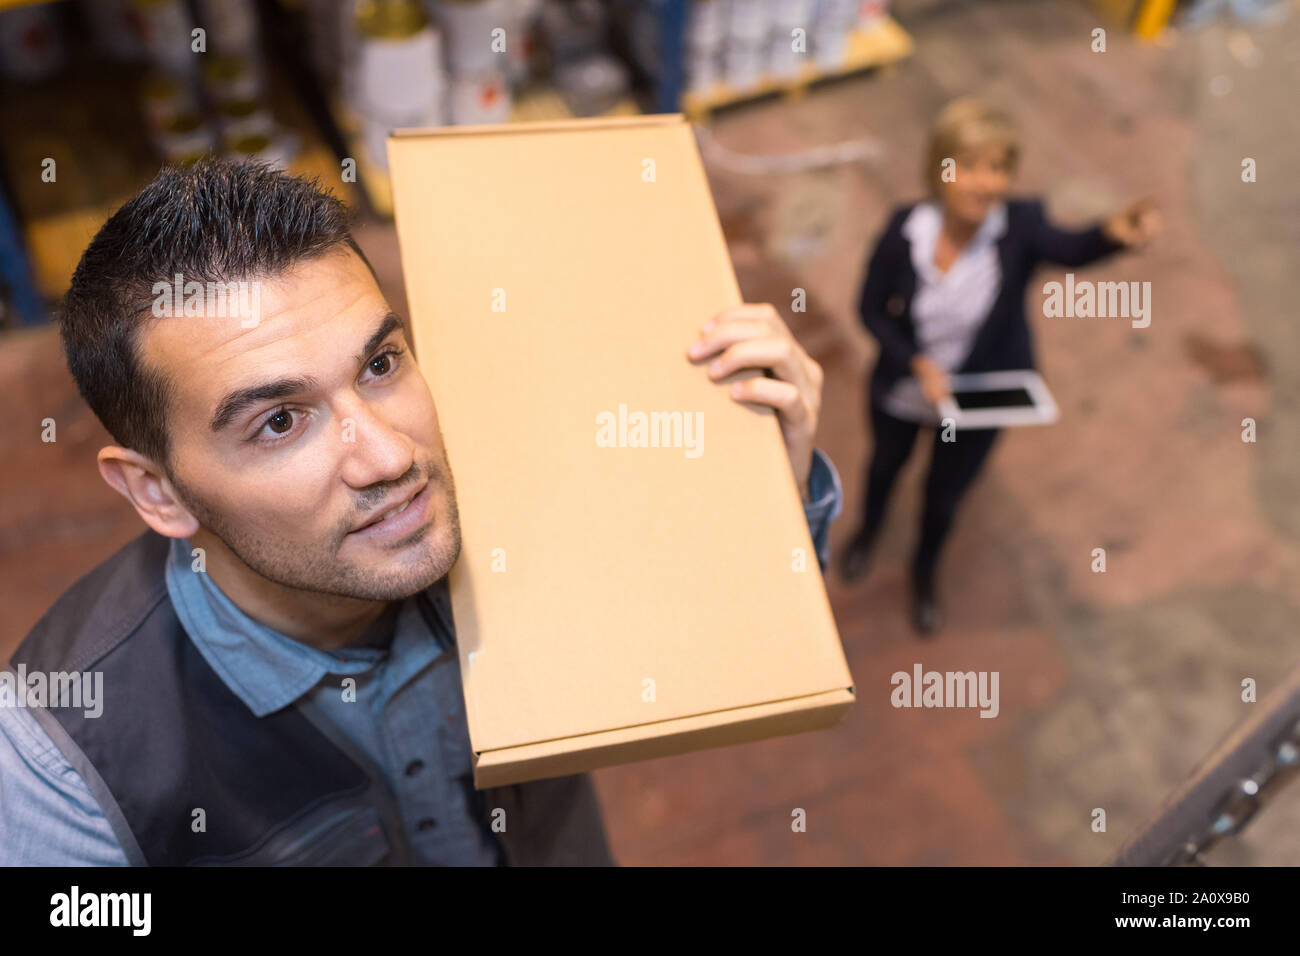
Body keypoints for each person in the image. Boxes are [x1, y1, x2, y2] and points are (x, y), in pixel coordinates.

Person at [0, 158, 842, 866]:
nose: (391, 456)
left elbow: (718, 637)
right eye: (280, 422)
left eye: (379, 365)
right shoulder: (60, 765)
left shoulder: (515, 492)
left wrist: (763, 483)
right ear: (158, 492)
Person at [838, 97, 1158, 635]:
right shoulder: (904, 232)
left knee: (944, 498)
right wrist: (914, 362)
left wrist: (1112, 234)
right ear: (939, 170)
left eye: (998, 167)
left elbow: (1073, 247)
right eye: (968, 166)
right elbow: (869, 309)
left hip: (976, 397)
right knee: (883, 470)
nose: (985, 183)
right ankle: (867, 535)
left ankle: (924, 573)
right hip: (905, 390)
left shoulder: (1021, 227)